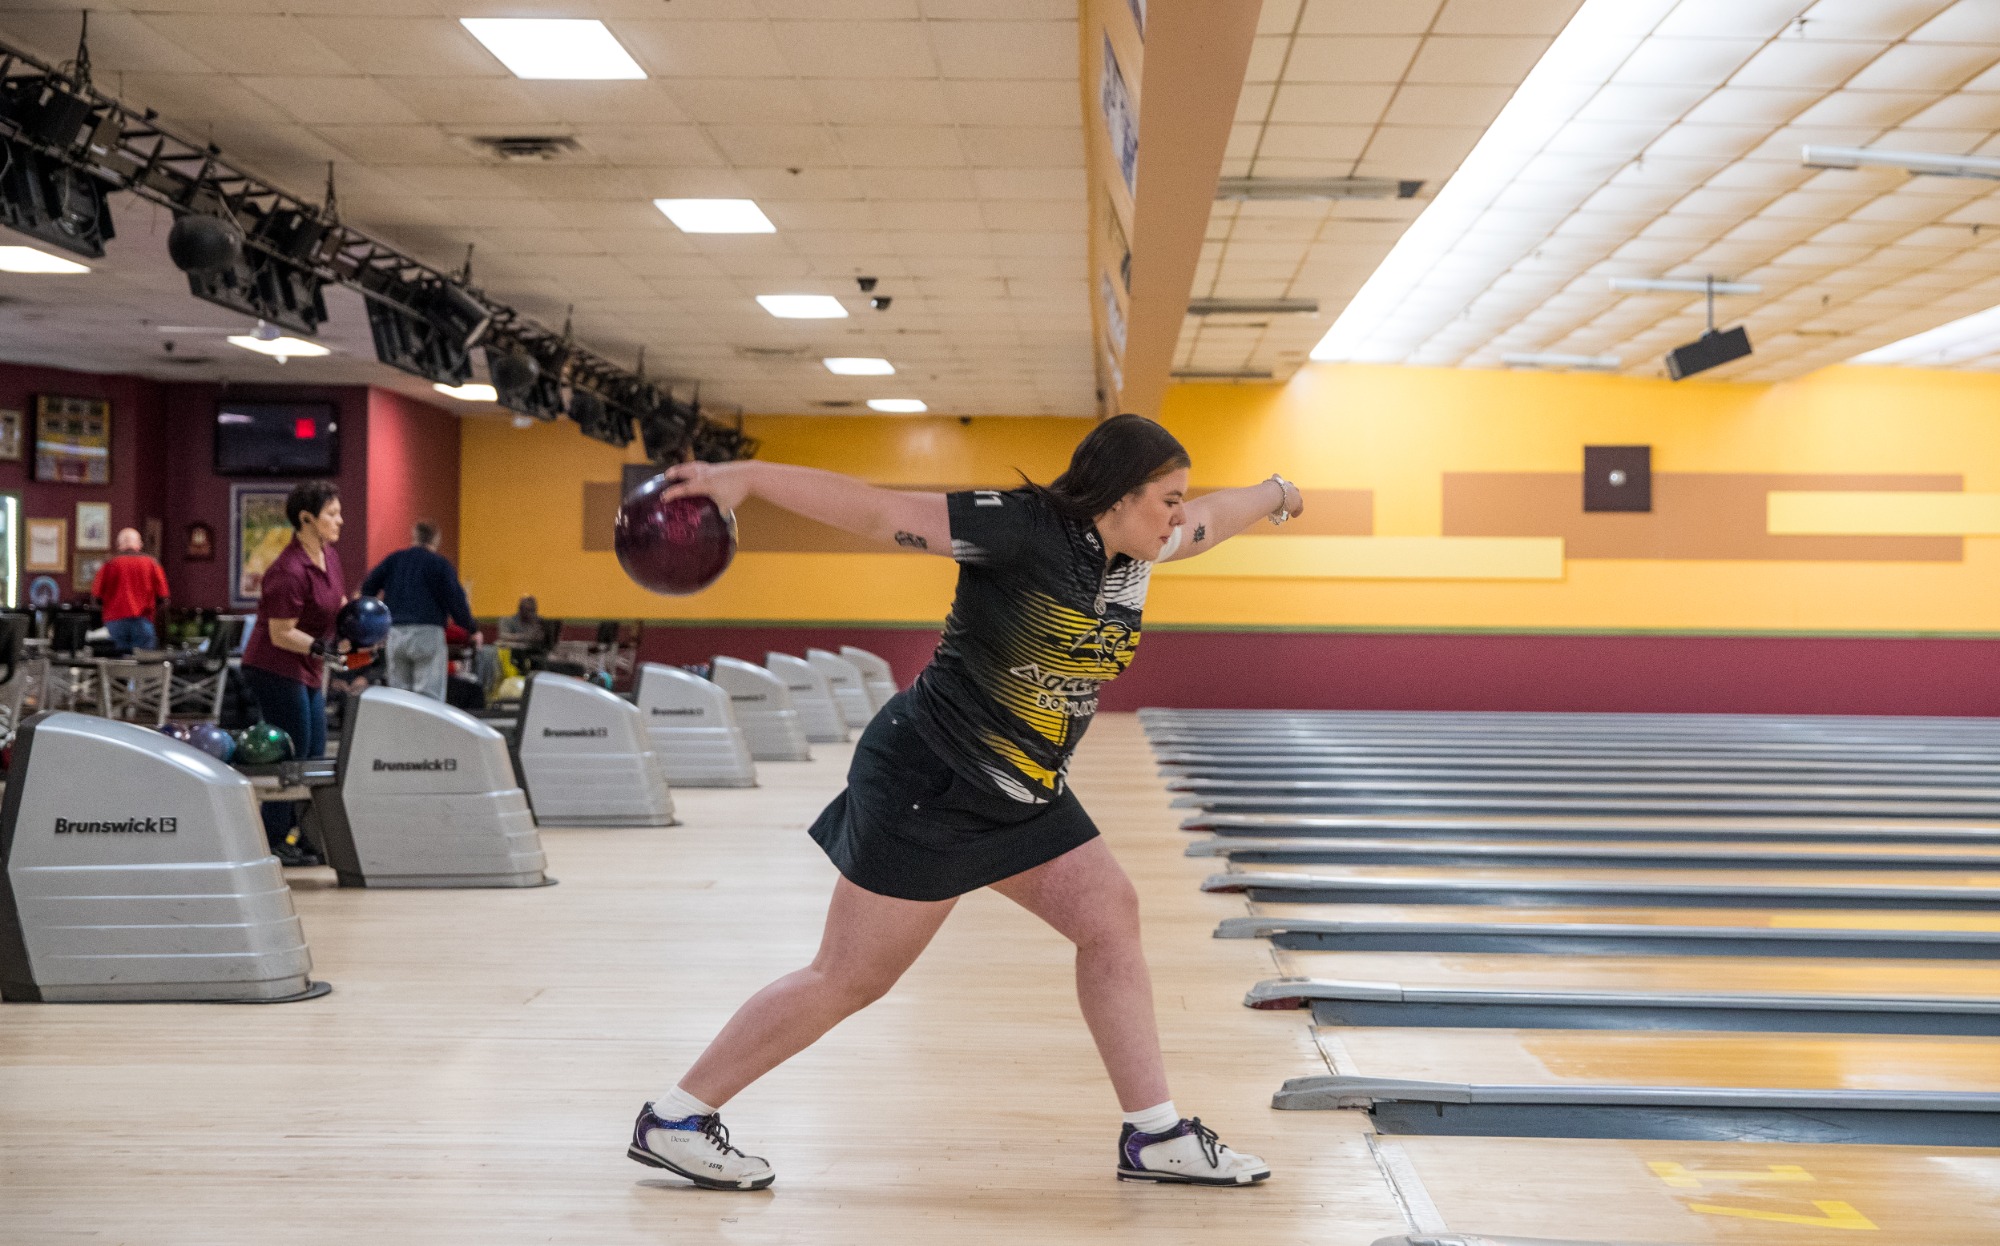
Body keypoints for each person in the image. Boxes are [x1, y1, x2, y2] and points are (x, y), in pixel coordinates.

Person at [626, 414, 1304, 1191]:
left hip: (1021, 789)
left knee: (1109, 916)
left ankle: (1155, 1135)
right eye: (1169, 499)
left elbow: (1215, 522)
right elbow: (885, 513)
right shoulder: (1020, 529)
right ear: (1117, 495)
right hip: (933, 781)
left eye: (1183, 501)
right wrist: (746, 480)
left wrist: (1277, 493)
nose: (1182, 517)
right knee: (850, 976)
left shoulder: (1134, 548)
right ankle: (678, 1117)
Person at [239, 480, 347, 867]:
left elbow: (340, 605)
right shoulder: (287, 570)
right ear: (306, 519)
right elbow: (280, 633)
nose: (340, 520)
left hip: (308, 667)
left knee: (315, 754)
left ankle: (301, 837)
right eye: (331, 514)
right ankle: (270, 842)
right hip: (274, 666)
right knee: (295, 752)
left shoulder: (329, 558)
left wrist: (353, 634)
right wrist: (323, 647)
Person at [359, 520, 480, 701]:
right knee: (428, 698)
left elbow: (368, 587)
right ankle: (424, 730)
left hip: (396, 633)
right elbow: (457, 601)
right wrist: (471, 629)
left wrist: (378, 619)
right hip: (428, 633)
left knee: (400, 697)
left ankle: (403, 729)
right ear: (436, 540)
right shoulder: (439, 564)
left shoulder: (394, 560)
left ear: (414, 536)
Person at [90, 527, 169, 652]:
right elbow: (163, 598)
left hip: (114, 623)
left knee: (115, 667)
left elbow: (95, 598)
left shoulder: (109, 564)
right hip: (144, 622)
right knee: (143, 667)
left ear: (119, 545)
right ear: (139, 544)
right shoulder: (152, 564)